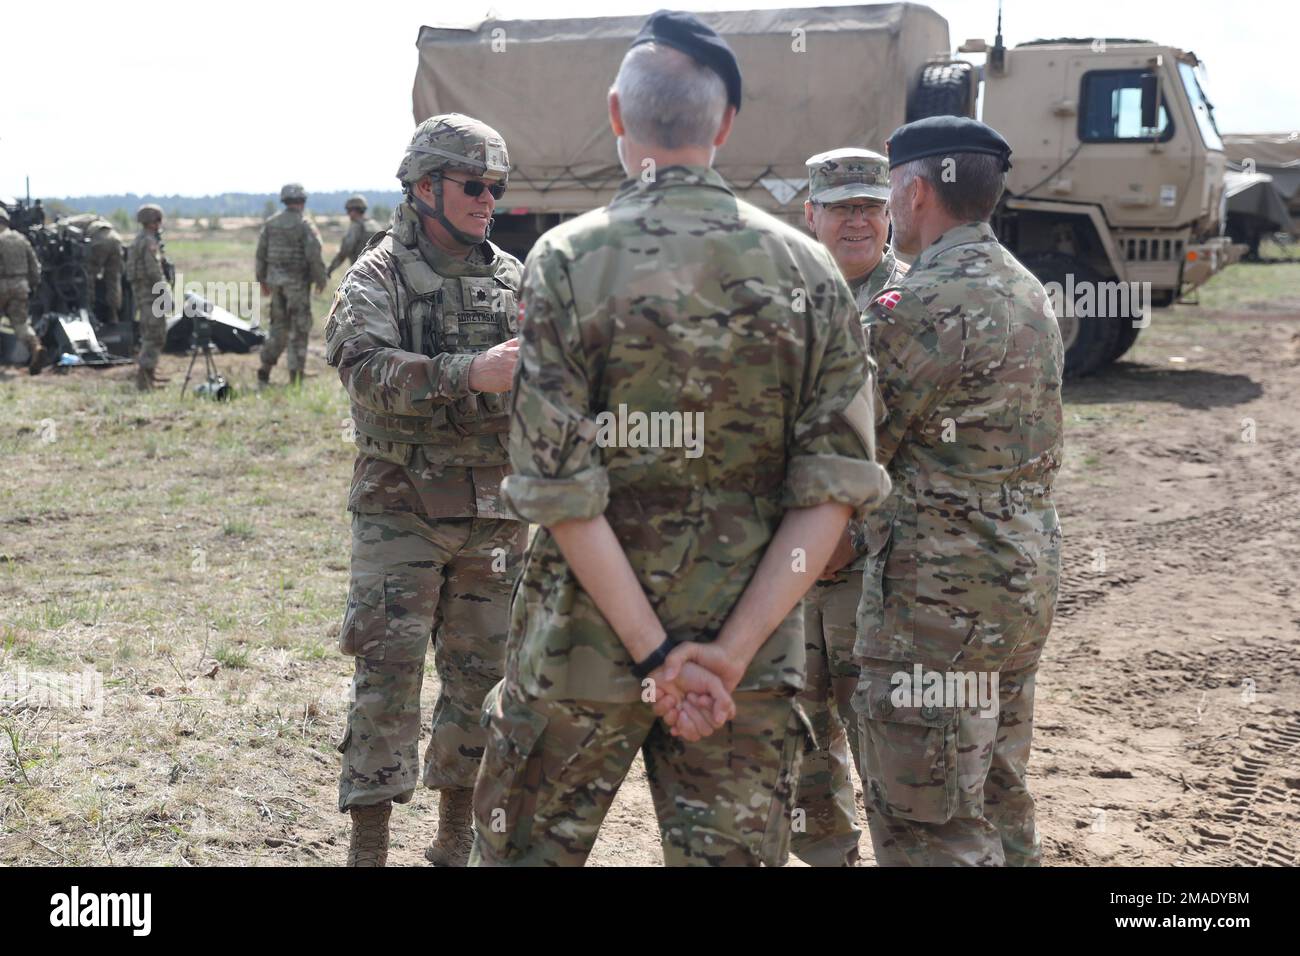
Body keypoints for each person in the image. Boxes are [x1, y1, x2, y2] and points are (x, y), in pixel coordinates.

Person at [470, 10, 889, 867]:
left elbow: (559, 493)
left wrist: (658, 659)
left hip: (578, 650)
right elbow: (835, 492)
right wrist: (722, 657)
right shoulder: (809, 272)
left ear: (617, 116)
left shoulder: (564, 260)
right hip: (747, 669)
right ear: (727, 124)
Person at [853, 115, 1064, 866]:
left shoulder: (923, 303)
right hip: (1019, 583)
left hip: (939, 607)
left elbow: (855, 447)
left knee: (929, 820)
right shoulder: (1025, 286)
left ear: (913, 193)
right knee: (999, 795)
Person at [324, 114, 526, 867]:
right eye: (473, 185)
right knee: (387, 676)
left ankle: (452, 842)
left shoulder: (512, 277)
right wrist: (466, 373)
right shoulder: (375, 276)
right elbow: (363, 371)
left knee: (484, 683)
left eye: (495, 187)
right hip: (400, 511)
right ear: (424, 187)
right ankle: (370, 849)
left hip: (495, 517)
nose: (487, 200)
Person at [792, 146, 907, 867]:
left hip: (883, 567)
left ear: (892, 214)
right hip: (793, 563)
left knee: (888, 737)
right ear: (811, 216)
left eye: (870, 206)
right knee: (800, 735)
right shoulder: (785, 299)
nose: (857, 221)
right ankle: (829, 856)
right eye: (842, 209)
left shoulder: (921, 303)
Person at [255, 184, 326, 387]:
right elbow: (314, 254)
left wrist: (262, 280)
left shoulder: (271, 224)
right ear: (302, 202)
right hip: (297, 286)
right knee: (299, 330)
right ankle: (295, 378)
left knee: (278, 328)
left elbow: (260, 254)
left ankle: (265, 370)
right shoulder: (304, 224)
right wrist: (320, 279)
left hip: (276, 284)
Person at [125, 204, 169, 390]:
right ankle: (144, 380)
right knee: (155, 333)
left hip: (144, 293)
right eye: (158, 220)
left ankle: (149, 374)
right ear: (152, 222)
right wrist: (164, 290)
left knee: (150, 332)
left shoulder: (140, 240)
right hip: (150, 293)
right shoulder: (148, 242)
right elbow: (153, 270)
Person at [0, 207, 46, 374]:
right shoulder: (21, 239)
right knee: (20, 323)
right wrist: (32, 285)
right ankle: (36, 347)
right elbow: (35, 267)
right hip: (20, 286)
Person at [64, 213, 125, 324]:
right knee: (113, 279)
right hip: (115, 238)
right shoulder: (94, 218)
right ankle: (113, 314)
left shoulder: (68, 223)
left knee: (88, 277)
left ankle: (89, 312)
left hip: (99, 240)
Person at [327, 195, 382, 277]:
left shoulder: (356, 226)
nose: (348, 214)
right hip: (380, 274)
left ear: (355, 210)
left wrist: (329, 270)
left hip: (362, 274)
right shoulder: (375, 225)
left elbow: (344, 252)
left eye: (349, 210)